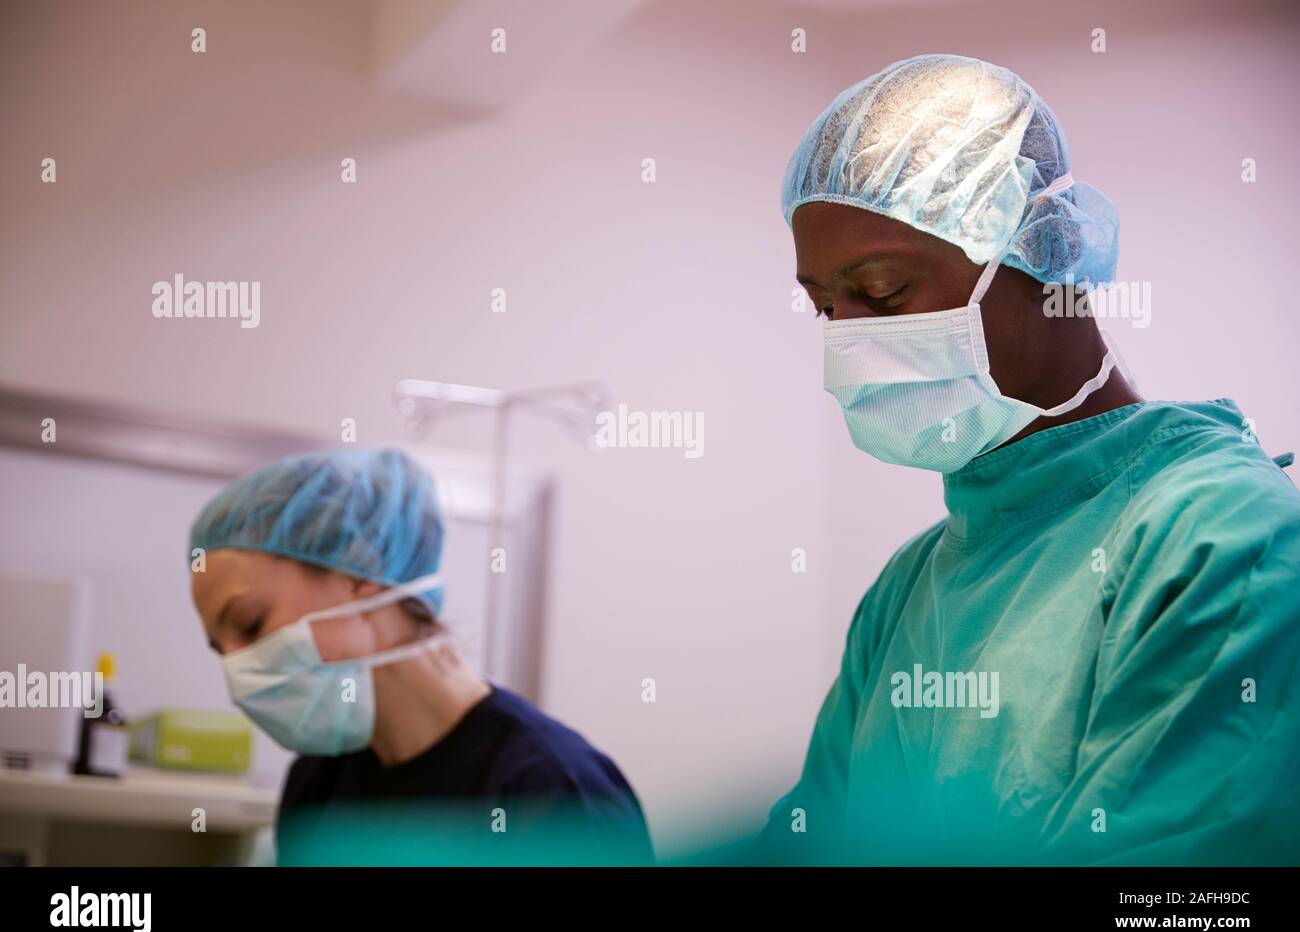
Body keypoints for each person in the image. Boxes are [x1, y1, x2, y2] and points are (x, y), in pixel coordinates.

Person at [759, 53, 1300, 865]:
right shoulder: (913, 589)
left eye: (880, 291)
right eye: (824, 307)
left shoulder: (1223, 543)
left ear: (1040, 255)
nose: (847, 340)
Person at [189, 446, 652, 865]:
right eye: (219, 649)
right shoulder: (319, 784)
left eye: (250, 624)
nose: (235, 669)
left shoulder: (549, 788)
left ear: (361, 567)